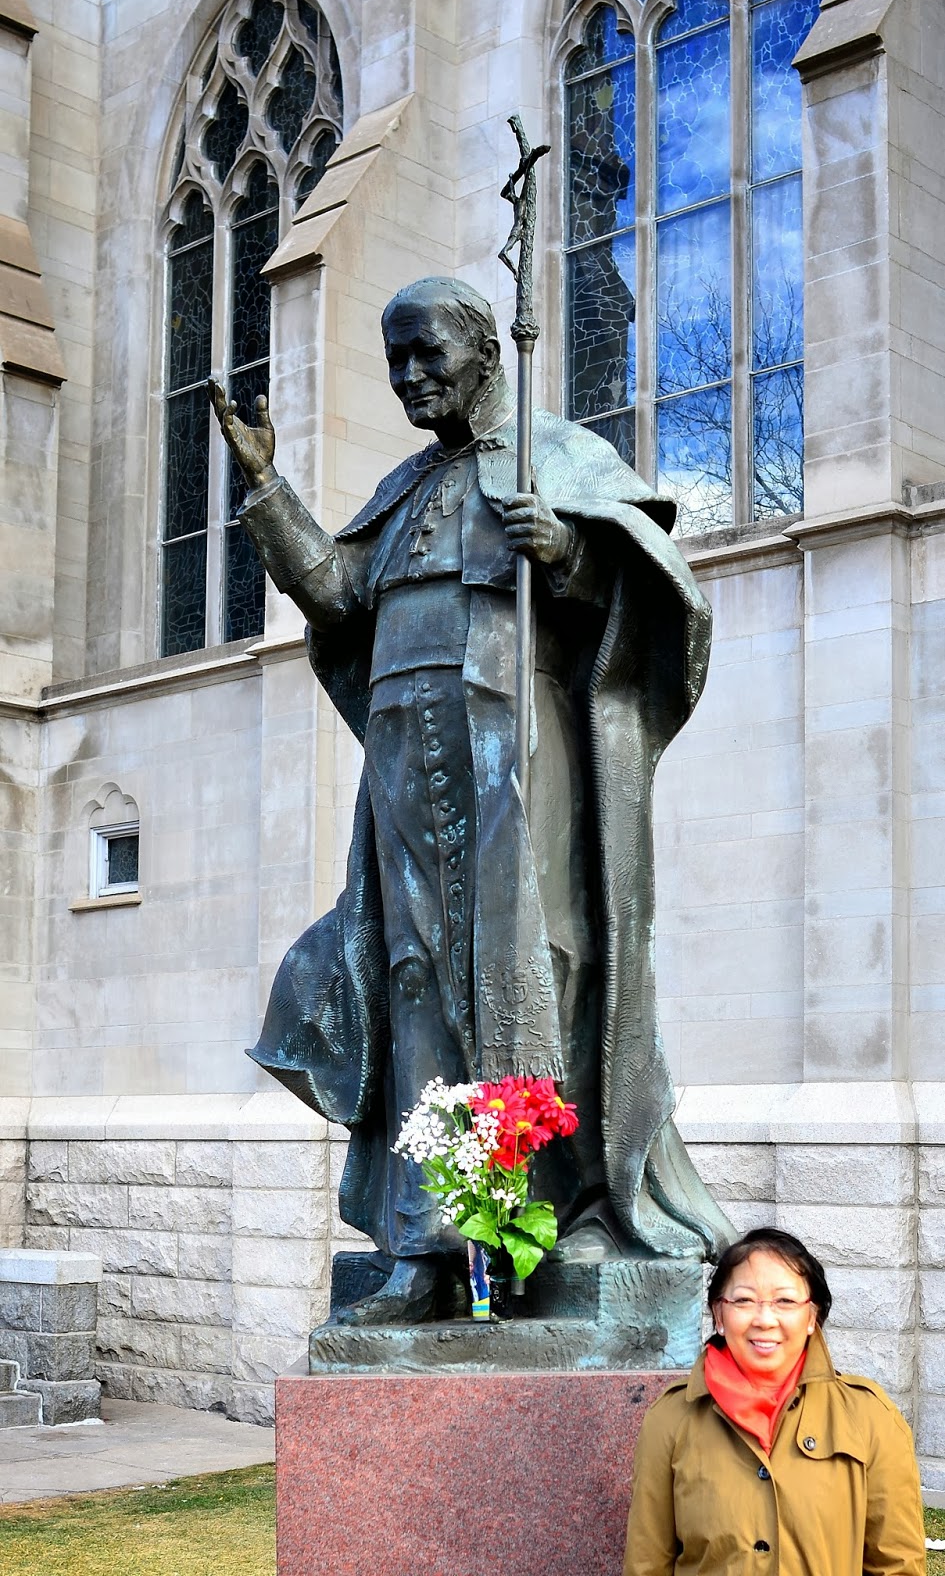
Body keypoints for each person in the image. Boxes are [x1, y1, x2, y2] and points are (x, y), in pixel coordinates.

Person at [208, 275, 733, 1325]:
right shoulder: (404, 490)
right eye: (395, 361)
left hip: (518, 748)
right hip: (405, 767)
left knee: (537, 970)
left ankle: (565, 1208)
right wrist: (268, 491)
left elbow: (663, 602)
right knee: (414, 990)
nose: (408, 379)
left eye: (427, 358)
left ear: (488, 352)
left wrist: (574, 554)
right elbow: (339, 595)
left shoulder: (558, 459)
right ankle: (429, 1247)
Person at [623, 1226, 926, 1576]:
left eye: (785, 1301)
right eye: (744, 1301)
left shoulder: (869, 1417)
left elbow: (898, 1565)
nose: (765, 1320)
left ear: (812, 1316)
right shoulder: (671, 1420)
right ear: (719, 1316)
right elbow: (648, 1563)